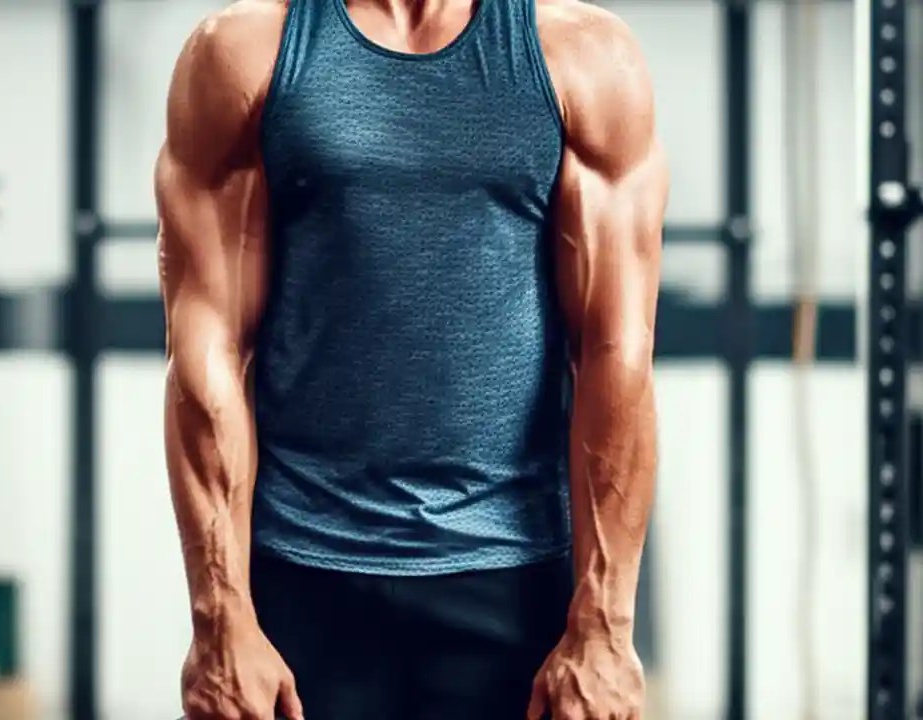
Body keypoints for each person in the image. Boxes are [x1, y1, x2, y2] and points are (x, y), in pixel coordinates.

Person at [155, 0, 667, 717]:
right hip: (300, 579)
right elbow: (206, 344)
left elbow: (616, 350)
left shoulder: (583, 57)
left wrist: (606, 627)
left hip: (513, 584)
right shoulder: (243, 54)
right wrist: (219, 616)